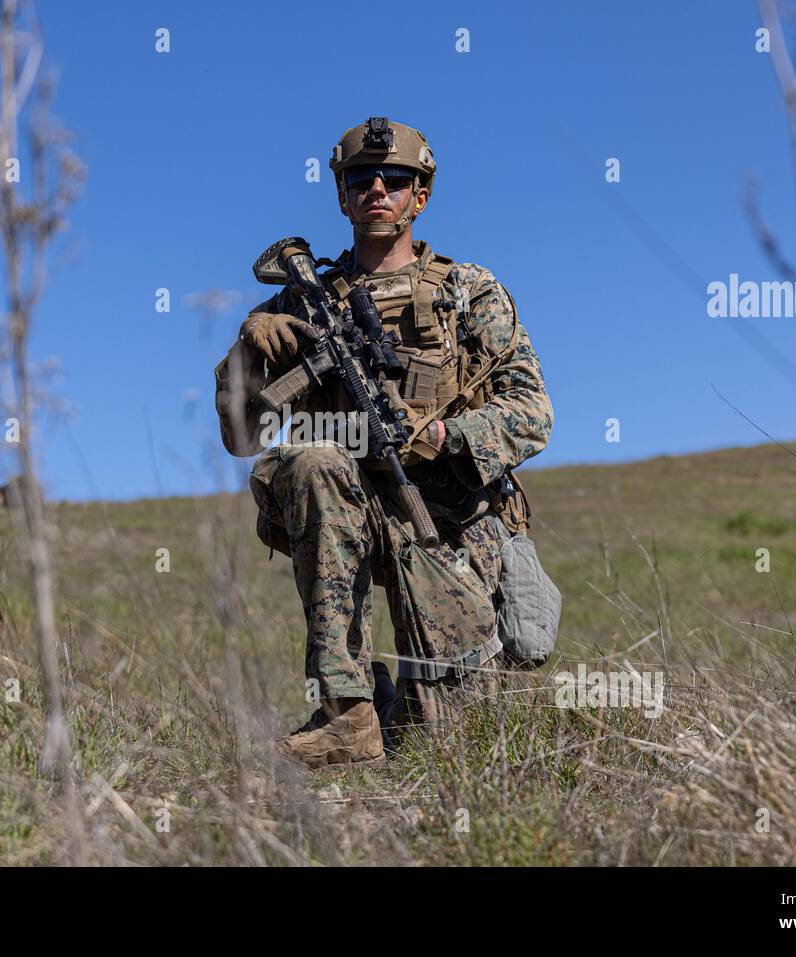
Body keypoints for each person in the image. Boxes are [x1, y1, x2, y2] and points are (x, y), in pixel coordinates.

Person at [213, 118, 554, 767]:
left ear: (419, 195)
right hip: (350, 513)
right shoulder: (301, 302)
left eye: (395, 179)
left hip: (449, 525)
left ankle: (402, 701)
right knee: (309, 458)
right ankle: (346, 709)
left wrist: (445, 433)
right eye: (360, 178)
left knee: (455, 746)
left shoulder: (466, 291)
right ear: (340, 195)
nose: (377, 187)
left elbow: (533, 411)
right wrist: (248, 354)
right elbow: (240, 435)